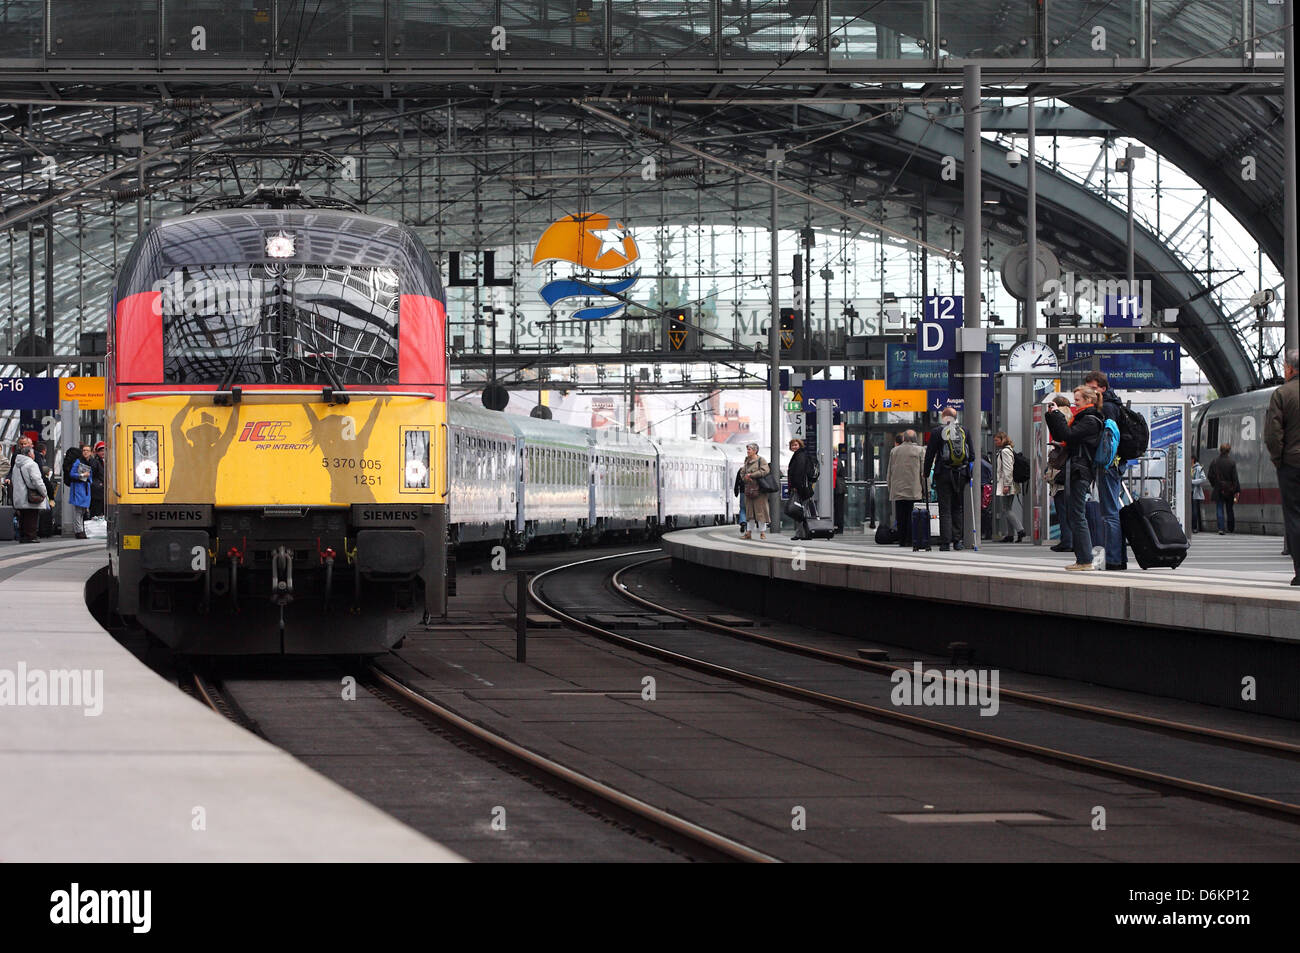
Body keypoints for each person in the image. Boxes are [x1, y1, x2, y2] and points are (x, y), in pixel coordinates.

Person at [1047, 385, 1106, 571]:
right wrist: (1052, 415)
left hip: (1081, 471)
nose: (1075, 402)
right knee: (1074, 514)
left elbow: (1067, 435)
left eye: (1077, 400)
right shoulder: (1083, 418)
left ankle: (1085, 559)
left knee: (1077, 515)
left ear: (1088, 400)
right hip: (1077, 469)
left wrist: (1057, 415)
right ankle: (1083, 558)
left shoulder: (1090, 420)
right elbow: (1062, 435)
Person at [1083, 370, 1129, 570]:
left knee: (1110, 513)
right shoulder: (1113, 405)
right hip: (1114, 464)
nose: (1091, 392)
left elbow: (1107, 441)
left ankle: (1114, 559)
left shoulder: (1108, 408)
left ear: (1103, 388)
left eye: (1093, 388)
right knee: (1112, 512)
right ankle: (1117, 558)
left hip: (1109, 464)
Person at [1265, 349, 1300, 584]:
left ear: (1288, 368)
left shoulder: (1282, 394)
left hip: (1292, 464)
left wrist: (1280, 459)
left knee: (1295, 516)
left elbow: (1272, 434)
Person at [923, 405, 971, 552]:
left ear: (943, 418)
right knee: (958, 508)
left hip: (943, 474)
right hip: (961, 474)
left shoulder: (937, 432)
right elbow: (973, 455)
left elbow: (930, 454)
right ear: (955, 418)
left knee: (945, 509)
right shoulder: (965, 431)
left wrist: (926, 472)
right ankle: (958, 541)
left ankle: (945, 543)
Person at [887, 431, 925, 547]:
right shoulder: (920, 451)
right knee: (912, 516)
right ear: (914, 439)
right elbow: (923, 473)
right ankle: (910, 539)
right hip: (914, 490)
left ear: (904, 439)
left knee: (900, 515)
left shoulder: (894, 451)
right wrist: (925, 488)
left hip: (898, 490)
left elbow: (890, 472)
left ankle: (902, 540)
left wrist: (890, 488)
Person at [1046, 394, 1073, 553]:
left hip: (1062, 468)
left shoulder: (1061, 417)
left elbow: (1063, 440)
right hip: (1067, 468)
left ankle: (1067, 540)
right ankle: (1068, 539)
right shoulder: (1071, 417)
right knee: (1068, 509)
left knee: (1062, 508)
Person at [993, 431, 1026, 543]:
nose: (995, 442)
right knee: (1007, 508)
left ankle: (1020, 530)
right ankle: (1010, 535)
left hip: (1007, 484)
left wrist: (1006, 484)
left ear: (1002, 440)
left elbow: (1008, 468)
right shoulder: (1008, 450)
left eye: (997, 440)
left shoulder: (1005, 452)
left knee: (1006, 509)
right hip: (1009, 483)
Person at [10, 446, 48, 544]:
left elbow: (13, 480)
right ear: (30, 454)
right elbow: (37, 480)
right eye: (33, 453)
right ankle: (31, 536)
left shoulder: (16, 465)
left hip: (19, 495)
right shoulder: (31, 464)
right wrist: (44, 492)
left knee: (23, 516)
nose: (34, 455)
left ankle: (23, 536)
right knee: (32, 516)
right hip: (30, 495)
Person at [786, 438, 819, 540]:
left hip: (801, 488)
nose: (794, 447)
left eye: (796, 445)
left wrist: (795, 487)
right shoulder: (799, 455)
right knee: (801, 510)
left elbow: (799, 473)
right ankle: (803, 533)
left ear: (800, 445)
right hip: (802, 487)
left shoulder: (800, 456)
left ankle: (804, 533)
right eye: (792, 445)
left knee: (799, 511)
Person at [738, 442, 771, 540]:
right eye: (747, 449)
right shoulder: (746, 461)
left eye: (749, 449)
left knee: (760, 512)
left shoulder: (761, 460)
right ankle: (748, 533)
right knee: (749, 513)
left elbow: (765, 471)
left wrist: (752, 475)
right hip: (749, 490)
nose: (748, 451)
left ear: (755, 451)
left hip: (759, 490)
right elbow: (742, 473)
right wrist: (745, 478)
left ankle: (762, 532)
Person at [1206, 442, 1240, 535]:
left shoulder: (1215, 461)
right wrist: (1237, 490)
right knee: (1229, 508)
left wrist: (1215, 484)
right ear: (1229, 451)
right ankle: (1231, 528)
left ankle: (1221, 528)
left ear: (1220, 450)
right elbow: (1235, 478)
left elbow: (1210, 475)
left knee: (1219, 508)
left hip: (1218, 488)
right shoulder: (1232, 462)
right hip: (1230, 489)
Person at [68, 444, 94, 540]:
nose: (85, 452)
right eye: (84, 450)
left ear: (91, 452)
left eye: (87, 450)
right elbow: (72, 474)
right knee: (78, 510)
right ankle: (79, 531)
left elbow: (91, 475)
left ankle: (81, 530)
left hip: (85, 487)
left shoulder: (90, 462)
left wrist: (89, 480)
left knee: (83, 510)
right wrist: (83, 475)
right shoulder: (78, 462)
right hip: (78, 488)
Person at [1189, 455, 1209, 534]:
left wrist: (1192, 482)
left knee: (1194, 510)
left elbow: (1203, 479)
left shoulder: (1198, 468)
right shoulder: (1186, 467)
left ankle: (1194, 527)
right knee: (1189, 510)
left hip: (1194, 491)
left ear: (1193, 459)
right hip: (1187, 492)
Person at [89, 441, 106, 518]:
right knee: (96, 511)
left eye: (105, 450)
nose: (103, 452)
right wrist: (98, 484)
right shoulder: (94, 462)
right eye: (101, 451)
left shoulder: (110, 461)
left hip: (104, 492)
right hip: (97, 492)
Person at [733, 463, 748, 537]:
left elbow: (737, 482)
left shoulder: (741, 470)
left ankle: (743, 522)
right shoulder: (755, 470)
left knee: (742, 508)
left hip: (743, 492)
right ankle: (748, 527)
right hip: (752, 492)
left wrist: (736, 491)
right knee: (750, 510)